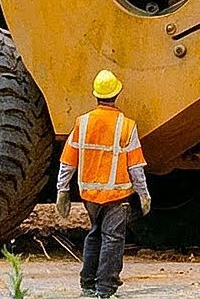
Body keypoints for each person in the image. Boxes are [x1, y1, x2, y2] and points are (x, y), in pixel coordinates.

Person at [56, 69, 152, 299]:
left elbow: (68, 160)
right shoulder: (126, 126)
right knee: (113, 238)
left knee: (95, 234)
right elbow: (135, 166)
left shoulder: (83, 122)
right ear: (117, 93)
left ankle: (87, 283)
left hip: (89, 196)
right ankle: (106, 288)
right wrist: (144, 194)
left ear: (96, 95)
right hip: (117, 197)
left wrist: (62, 189)